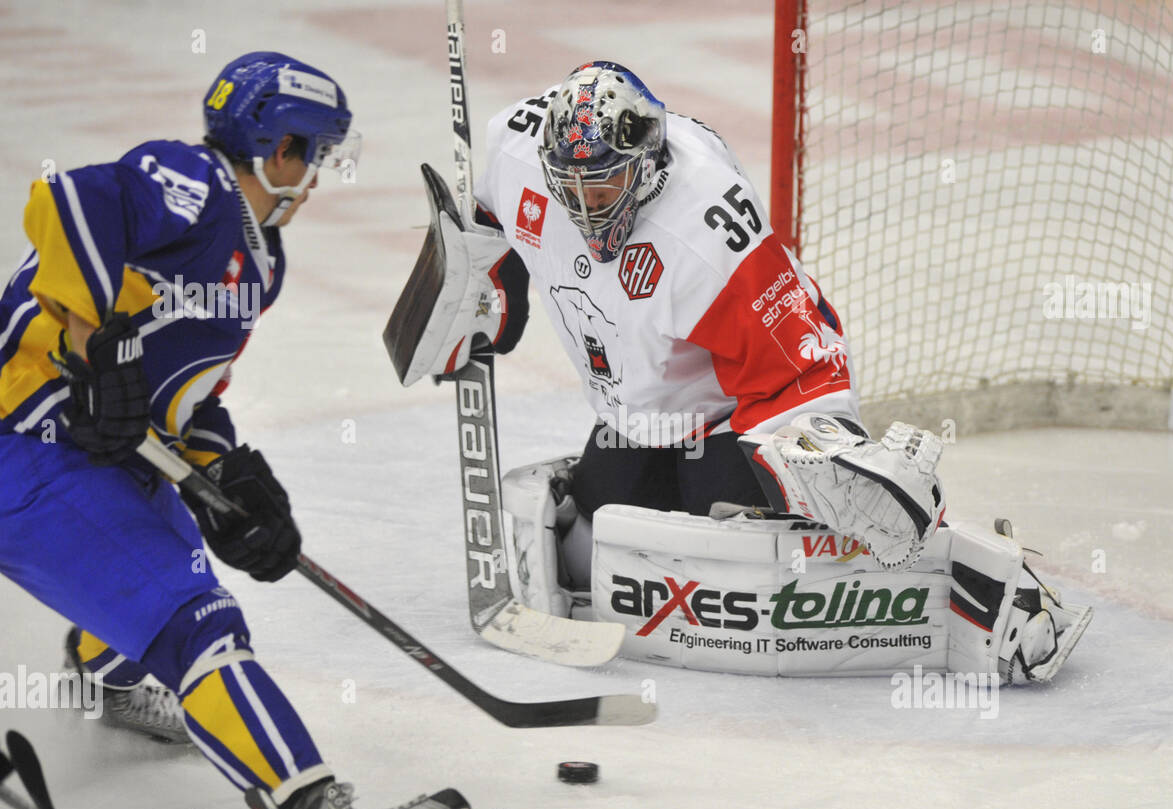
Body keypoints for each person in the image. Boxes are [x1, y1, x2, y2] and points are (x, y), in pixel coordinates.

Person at [402, 60, 1090, 683]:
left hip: (738, 406)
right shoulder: (516, 150)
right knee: (585, 552)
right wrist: (484, 286)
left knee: (772, 533)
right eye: (570, 187)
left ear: (644, 164)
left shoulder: (706, 230)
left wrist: (819, 458)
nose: (585, 209)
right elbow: (490, 216)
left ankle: (990, 588)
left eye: (605, 183)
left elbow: (792, 371)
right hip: (639, 414)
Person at [0, 51, 483, 809]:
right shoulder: (190, 180)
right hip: (28, 448)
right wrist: (95, 350)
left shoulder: (261, 262)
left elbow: (181, 395)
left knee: (176, 565)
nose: (318, 178)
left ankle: (103, 660)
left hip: (96, 457)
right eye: (316, 155)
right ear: (278, 149)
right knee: (203, 626)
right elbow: (70, 200)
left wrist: (231, 478)